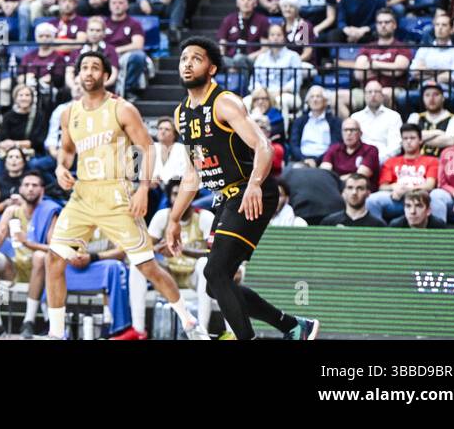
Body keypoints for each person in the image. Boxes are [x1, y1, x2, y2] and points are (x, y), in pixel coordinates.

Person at [46, 51, 208, 341]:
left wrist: (143, 188)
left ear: (106, 75)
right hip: (82, 195)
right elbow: (68, 150)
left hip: (116, 193)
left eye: (95, 67)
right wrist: (60, 167)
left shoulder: (121, 108)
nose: (89, 72)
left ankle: (189, 323)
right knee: (54, 258)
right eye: (84, 67)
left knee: (146, 265)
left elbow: (147, 148)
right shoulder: (69, 112)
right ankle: (56, 334)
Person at [167, 37, 319, 340]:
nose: (187, 63)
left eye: (196, 58)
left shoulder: (225, 102)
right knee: (214, 282)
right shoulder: (181, 113)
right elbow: (192, 175)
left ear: (211, 68)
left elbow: (264, 146)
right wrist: (173, 219)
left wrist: (254, 186)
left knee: (214, 272)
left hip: (253, 192)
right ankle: (294, 326)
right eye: (184, 58)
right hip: (226, 197)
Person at [0, 170, 60, 338]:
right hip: (14, 267)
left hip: (41, 270)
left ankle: (28, 322)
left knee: (39, 256)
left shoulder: (50, 212)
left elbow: (55, 249)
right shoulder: (12, 211)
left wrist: (28, 243)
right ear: (20, 189)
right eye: (26, 185)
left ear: (42, 190)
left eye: (34, 185)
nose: (30, 189)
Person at [366, 123, 450, 223]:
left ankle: (437, 235)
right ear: (401, 141)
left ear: (420, 141)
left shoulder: (432, 160)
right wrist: (394, 187)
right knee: (371, 200)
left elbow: (430, 185)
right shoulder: (391, 161)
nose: (408, 141)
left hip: (422, 200)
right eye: (405, 138)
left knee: (437, 199)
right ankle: (378, 235)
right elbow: (382, 186)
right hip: (397, 199)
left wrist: (408, 190)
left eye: (412, 138)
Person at [321, 172, 387, 226]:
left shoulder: (378, 225)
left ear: (368, 193)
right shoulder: (329, 223)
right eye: (350, 188)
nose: (354, 192)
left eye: (360, 188)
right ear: (343, 192)